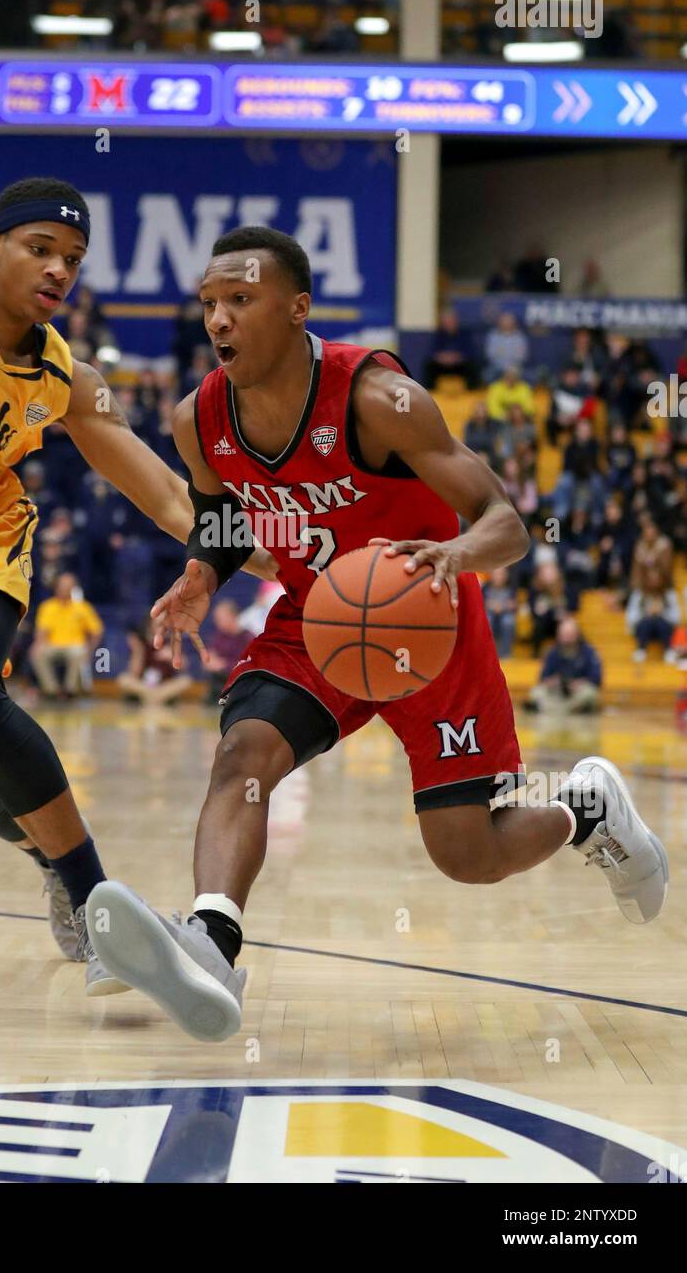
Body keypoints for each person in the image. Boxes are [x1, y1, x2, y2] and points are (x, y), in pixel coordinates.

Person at [84, 226, 668, 1043]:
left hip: (428, 619)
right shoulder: (198, 419)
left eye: (241, 301)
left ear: (298, 309)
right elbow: (219, 520)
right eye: (210, 304)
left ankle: (585, 806)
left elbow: (507, 522)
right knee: (242, 752)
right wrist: (202, 573)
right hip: (316, 618)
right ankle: (210, 943)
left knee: (467, 854)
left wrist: (454, 553)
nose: (219, 319)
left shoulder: (377, 398)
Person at [0, 177, 275, 998]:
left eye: (73, 259)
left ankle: (99, 909)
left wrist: (280, 556)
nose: (59, 270)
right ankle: (51, 858)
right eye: (41, 249)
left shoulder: (68, 379)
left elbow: (173, 499)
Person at [31, 572, 103, 699]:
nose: (65, 589)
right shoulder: (47, 607)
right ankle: (51, 691)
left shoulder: (83, 607)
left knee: (79, 652)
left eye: (68, 586)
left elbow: (97, 632)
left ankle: (70, 691)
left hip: (75, 646)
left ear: (73, 588)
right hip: (52, 645)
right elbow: (41, 632)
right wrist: (37, 645)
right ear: (56, 587)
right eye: (62, 586)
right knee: (37, 653)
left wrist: (90, 650)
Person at [524, 617, 602, 714]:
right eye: (564, 635)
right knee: (536, 692)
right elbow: (543, 678)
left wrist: (577, 683)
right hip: (557, 692)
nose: (567, 638)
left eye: (570, 635)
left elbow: (596, 679)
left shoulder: (589, 652)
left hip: (577, 692)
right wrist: (554, 681)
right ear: (558, 635)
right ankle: (568, 710)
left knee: (589, 693)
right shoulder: (553, 652)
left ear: (577, 634)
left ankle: (551, 709)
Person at [117, 616, 192, 705]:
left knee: (185, 681)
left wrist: (172, 656)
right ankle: (153, 697)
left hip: (164, 686)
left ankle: (152, 697)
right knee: (123, 679)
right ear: (150, 624)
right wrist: (138, 651)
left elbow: (185, 666)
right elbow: (134, 672)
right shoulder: (141, 643)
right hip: (143, 685)